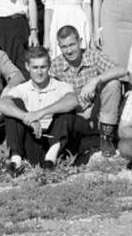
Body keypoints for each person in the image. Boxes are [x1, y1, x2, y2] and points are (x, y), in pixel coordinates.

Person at [0, 46, 79, 170]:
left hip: (56, 141)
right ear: (27, 67)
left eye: (43, 67)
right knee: (14, 106)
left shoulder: (60, 85)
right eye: (35, 67)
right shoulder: (22, 88)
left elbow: (73, 101)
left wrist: (40, 113)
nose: (39, 72)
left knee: (66, 110)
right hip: (33, 139)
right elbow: (2, 104)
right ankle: (16, 161)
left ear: (49, 66)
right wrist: (28, 118)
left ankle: (51, 159)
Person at [49, 25, 124, 157]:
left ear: (80, 41)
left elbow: (121, 70)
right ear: (59, 47)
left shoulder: (92, 56)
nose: (69, 50)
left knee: (113, 83)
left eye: (72, 45)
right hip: (73, 116)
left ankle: (106, 137)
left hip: (98, 113)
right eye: (64, 47)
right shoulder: (55, 66)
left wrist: (95, 81)